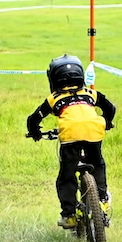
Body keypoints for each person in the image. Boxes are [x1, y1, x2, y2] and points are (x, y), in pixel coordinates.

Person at [27, 54, 116, 229]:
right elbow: (110, 108)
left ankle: (69, 215)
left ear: (53, 78)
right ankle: (103, 200)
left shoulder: (54, 98)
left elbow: (34, 119)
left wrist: (35, 133)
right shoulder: (90, 93)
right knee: (97, 164)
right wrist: (107, 122)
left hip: (70, 136)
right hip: (94, 131)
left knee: (66, 176)